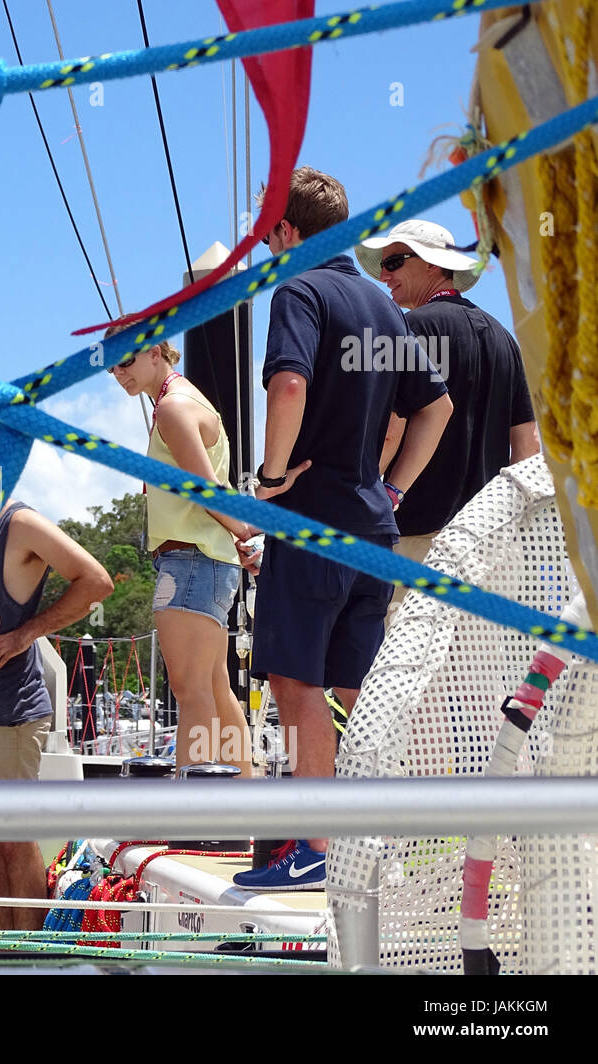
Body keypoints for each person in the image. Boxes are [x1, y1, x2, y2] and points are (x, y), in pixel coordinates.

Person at [236, 168, 453, 892]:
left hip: (312, 522)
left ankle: (320, 847)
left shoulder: (300, 291)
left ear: (286, 232)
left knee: (298, 683)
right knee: (363, 689)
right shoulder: (384, 307)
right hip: (374, 526)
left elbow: (289, 383)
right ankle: (418, 838)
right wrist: (393, 489)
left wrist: (269, 482)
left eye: (268, 236)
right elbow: (435, 409)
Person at [0, 424, 113, 932]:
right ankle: (9, 946)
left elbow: (97, 582)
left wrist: (28, 634)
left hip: (11, 710)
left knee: (13, 835)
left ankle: (28, 954)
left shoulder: (17, 523)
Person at [354, 219, 540, 617]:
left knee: (398, 667)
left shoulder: (409, 329)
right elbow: (528, 446)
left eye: (396, 262)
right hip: (489, 541)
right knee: (477, 671)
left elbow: (389, 427)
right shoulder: (503, 337)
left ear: (434, 266)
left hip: (415, 534)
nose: (385, 275)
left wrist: (371, 498)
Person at [105, 332, 258, 780]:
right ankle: (243, 800)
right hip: (207, 556)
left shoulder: (173, 407)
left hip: (191, 558)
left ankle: (195, 815)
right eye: (112, 367)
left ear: (155, 351)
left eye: (127, 361)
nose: (119, 373)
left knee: (191, 691)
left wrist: (245, 535)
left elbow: (206, 491)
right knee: (214, 686)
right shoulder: (182, 399)